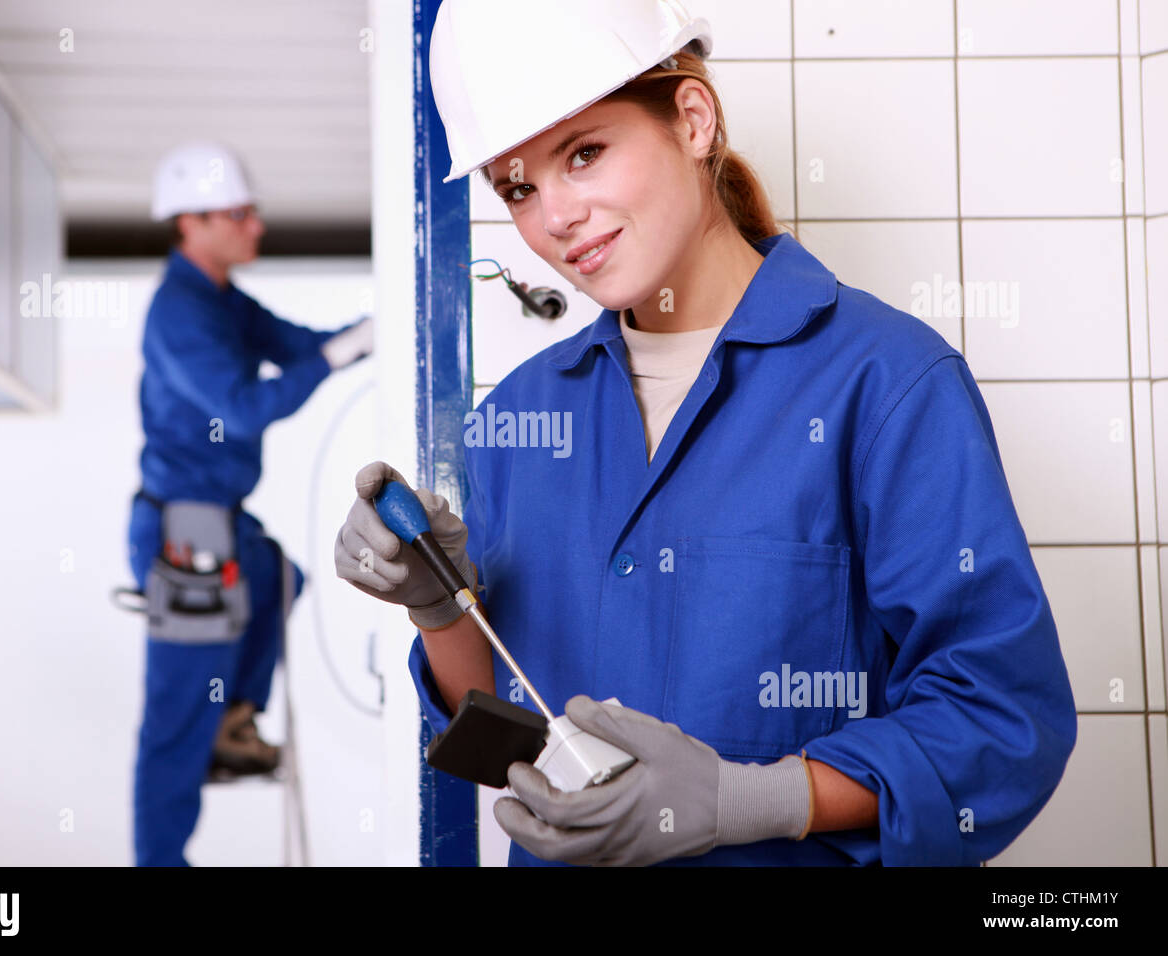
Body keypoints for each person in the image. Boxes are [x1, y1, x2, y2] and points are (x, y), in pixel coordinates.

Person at [335, 0, 1077, 866]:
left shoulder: (886, 385)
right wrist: (437, 605)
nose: (558, 217)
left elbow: (1002, 721)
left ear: (693, 119)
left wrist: (748, 801)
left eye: (585, 153)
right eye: (520, 188)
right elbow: (510, 727)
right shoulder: (519, 419)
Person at [128, 141, 373, 866]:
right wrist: (335, 356)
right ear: (192, 222)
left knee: (279, 577)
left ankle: (232, 722)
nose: (255, 227)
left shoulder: (223, 300)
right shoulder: (179, 311)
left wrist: (367, 336)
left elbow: (299, 345)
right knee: (175, 723)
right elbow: (240, 407)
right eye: (239, 214)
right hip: (184, 526)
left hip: (217, 520)